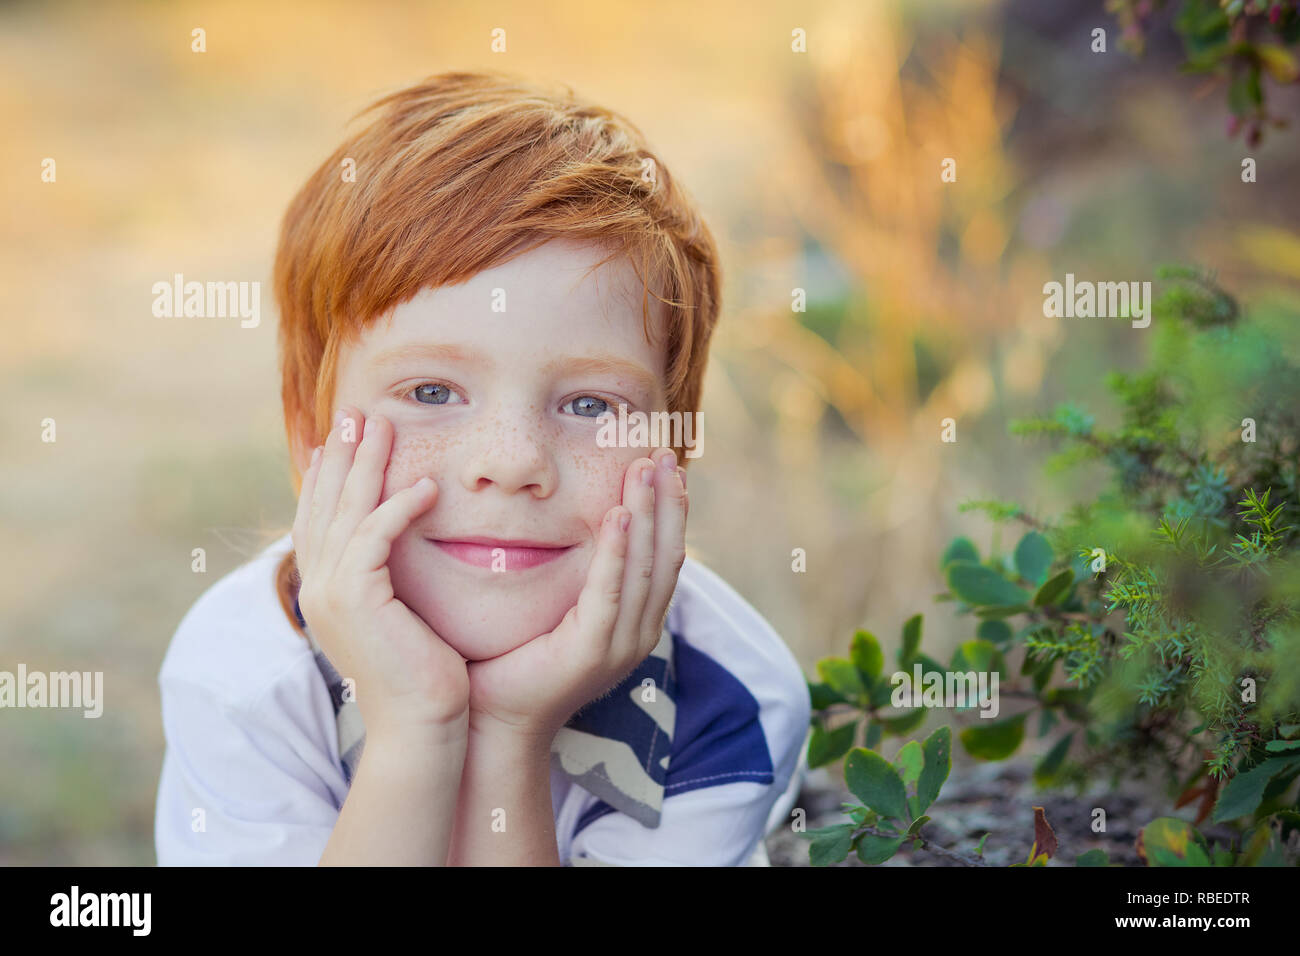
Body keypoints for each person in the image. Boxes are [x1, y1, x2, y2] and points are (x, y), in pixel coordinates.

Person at [154, 70, 810, 866]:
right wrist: (416, 725)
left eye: (591, 406)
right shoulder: (240, 673)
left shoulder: (730, 704)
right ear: (308, 435)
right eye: (431, 391)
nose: (511, 463)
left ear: (672, 453)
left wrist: (506, 732)